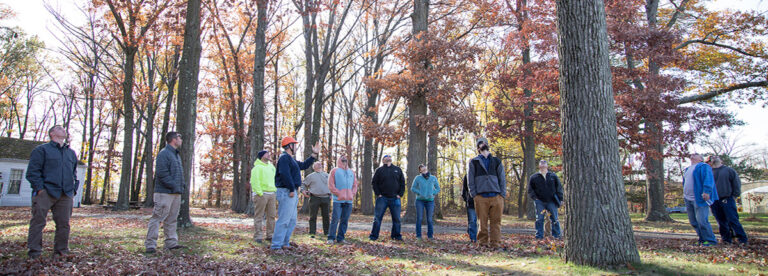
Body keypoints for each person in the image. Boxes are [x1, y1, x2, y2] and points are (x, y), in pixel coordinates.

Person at [26, 126, 79, 259]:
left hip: (65, 194)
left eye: (63, 129)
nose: (63, 130)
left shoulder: (71, 153)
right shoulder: (41, 150)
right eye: (59, 128)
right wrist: (40, 189)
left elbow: (74, 173)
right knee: (38, 222)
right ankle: (34, 253)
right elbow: (32, 172)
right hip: (46, 192)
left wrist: (73, 189)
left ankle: (61, 252)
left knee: (64, 224)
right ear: (52, 133)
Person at [271, 137, 319, 250]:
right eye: (294, 144)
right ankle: (276, 246)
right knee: (284, 220)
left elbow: (303, 165)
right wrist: (291, 189)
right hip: (287, 191)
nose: (296, 147)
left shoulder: (290, 159)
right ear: (289, 146)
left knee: (291, 221)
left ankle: (284, 243)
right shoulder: (284, 158)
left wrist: (313, 155)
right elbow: (284, 174)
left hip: (291, 192)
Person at [145, 131, 186, 254]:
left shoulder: (176, 155)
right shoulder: (164, 154)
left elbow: (179, 174)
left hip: (175, 193)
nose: (181, 140)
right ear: (174, 139)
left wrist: (181, 186)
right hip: (164, 193)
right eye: (179, 137)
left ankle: (171, 243)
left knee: (172, 219)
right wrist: (174, 185)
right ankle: (150, 245)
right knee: (157, 218)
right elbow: (162, 173)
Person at [467, 137, 506, 248]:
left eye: (484, 143)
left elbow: (502, 178)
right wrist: (474, 195)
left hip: (496, 196)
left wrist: (502, 194)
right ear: (478, 148)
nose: (482, 144)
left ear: (488, 145)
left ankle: (495, 244)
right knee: (482, 223)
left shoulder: (496, 161)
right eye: (480, 143)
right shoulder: (474, 162)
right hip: (481, 197)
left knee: (496, 223)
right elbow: (470, 180)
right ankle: (482, 244)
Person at [706, 155, 748, 244]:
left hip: (727, 198)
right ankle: (726, 240)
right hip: (714, 201)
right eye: (712, 157)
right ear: (709, 162)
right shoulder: (709, 172)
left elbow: (736, 184)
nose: (715, 157)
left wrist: (734, 196)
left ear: (721, 160)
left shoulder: (729, 170)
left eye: (716, 156)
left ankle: (742, 239)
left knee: (733, 219)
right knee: (721, 221)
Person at [683, 153, 719, 246]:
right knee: (693, 221)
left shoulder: (703, 166)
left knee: (702, 221)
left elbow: (708, 179)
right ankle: (702, 240)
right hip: (688, 198)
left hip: (699, 198)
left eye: (696, 154)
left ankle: (711, 241)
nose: (693, 155)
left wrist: (706, 191)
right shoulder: (687, 169)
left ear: (700, 159)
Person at [369, 154, 406, 241]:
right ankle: (373, 236)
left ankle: (396, 236)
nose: (388, 158)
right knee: (377, 219)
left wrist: (400, 194)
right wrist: (378, 194)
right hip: (382, 198)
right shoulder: (379, 170)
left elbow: (402, 183)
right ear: (383, 160)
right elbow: (374, 183)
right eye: (386, 157)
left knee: (397, 219)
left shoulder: (397, 169)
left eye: (390, 157)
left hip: (395, 198)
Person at [528, 160, 563, 240]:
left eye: (544, 165)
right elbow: (530, 190)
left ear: (547, 166)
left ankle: (556, 236)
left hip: (552, 201)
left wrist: (561, 198)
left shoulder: (553, 176)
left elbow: (559, 188)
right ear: (539, 166)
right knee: (539, 219)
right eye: (541, 165)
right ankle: (539, 236)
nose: (543, 167)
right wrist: (535, 198)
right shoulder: (534, 177)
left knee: (554, 218)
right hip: (540, 202)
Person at [327, 155, 358, 244]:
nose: (344, 161)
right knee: (335, 219)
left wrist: (352, 194)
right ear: (339, 161)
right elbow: (331, 185)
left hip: (349, 201)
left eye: (345, 160)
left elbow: (355, 185)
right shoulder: (334, 171)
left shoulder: (352, 172)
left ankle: (340, 238)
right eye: (342, 160)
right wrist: (339, 193)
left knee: (345, 220)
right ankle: (331, 238)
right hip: (338, 200)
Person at [250, 150, 277, 243]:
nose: (269, 155)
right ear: (262, 156)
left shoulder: (271, 167)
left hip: (272, 194)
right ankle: (258, 236)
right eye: (267, 154)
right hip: (261, 194)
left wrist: (274, 191)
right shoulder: (257, 168)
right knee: (259, 216)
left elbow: (275, 178)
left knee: (272, 216)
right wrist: (260, 193)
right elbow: (254, 181)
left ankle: (270, 235)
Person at [301, 162, 331, 238]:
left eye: (320, 164)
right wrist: (303, 191)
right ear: (314, 167)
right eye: (317, 164)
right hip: (314, 197)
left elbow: (332, 185)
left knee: (326, 216)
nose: (319, 165)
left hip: (326, 197)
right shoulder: (310, 176)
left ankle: (327, 232)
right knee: (313, 216)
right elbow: (303, 184)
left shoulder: (327, 175)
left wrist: (331, 194)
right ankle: (312, 233)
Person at [411, 164, 440, 240]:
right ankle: (418, 236)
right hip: (420, 201)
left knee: (429, 219)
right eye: (422, 170)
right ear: (420, 171)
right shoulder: (418, 178)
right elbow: (413, 188)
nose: (424, 170)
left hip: (430, 201)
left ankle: (430, 236)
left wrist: (433, 193)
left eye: (425, 169)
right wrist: (419, 192)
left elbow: (438, 188)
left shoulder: (433, 178)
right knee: (419, 218)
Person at [461, 175, 477, 243]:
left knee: (478, 221)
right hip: (471, 202)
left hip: (482, 202)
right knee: (472, 221)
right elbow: (464, 190)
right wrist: (467, 199)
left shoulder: (482, 174)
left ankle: (477, 236)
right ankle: (473, 239)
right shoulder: (467, 176)